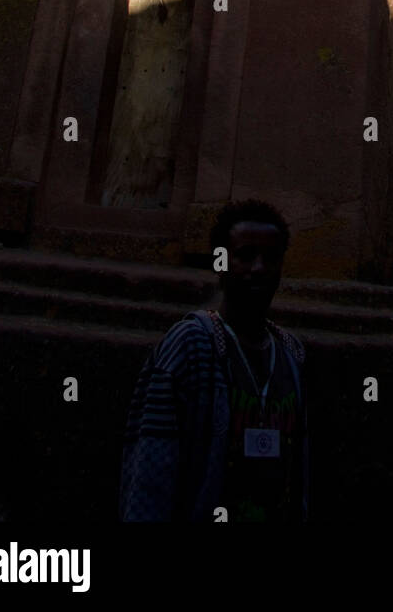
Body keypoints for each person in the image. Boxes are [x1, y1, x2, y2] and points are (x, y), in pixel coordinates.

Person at [120, 199, 309, 521]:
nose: (259, 268)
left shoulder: (292, 354)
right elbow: (152, 467)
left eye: (271, 258)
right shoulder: (190, 346)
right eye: (245, 256)